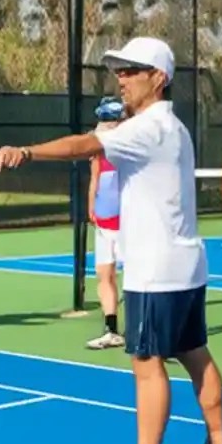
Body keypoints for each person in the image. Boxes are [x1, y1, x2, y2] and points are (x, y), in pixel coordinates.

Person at [0, 36, 222, 444]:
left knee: (147, 364)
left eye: (131, 70)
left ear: (158, 78)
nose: (121, 78)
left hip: (155, 269)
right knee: (194, 352)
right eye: (118, 70)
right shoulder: (174, 128)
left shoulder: (144, 130)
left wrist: (26, 151)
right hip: (186, 264)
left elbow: (86, 143)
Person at [86, 96, 126, 350]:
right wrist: (92, 205)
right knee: (104, 274)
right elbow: (95, 177)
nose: (108, 124)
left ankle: (140, 328)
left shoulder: (133, 148)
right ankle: (111, 329)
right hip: (104, 221)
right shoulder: (98, 148)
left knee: (134, 277)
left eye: (112, 120)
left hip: (128, 223)